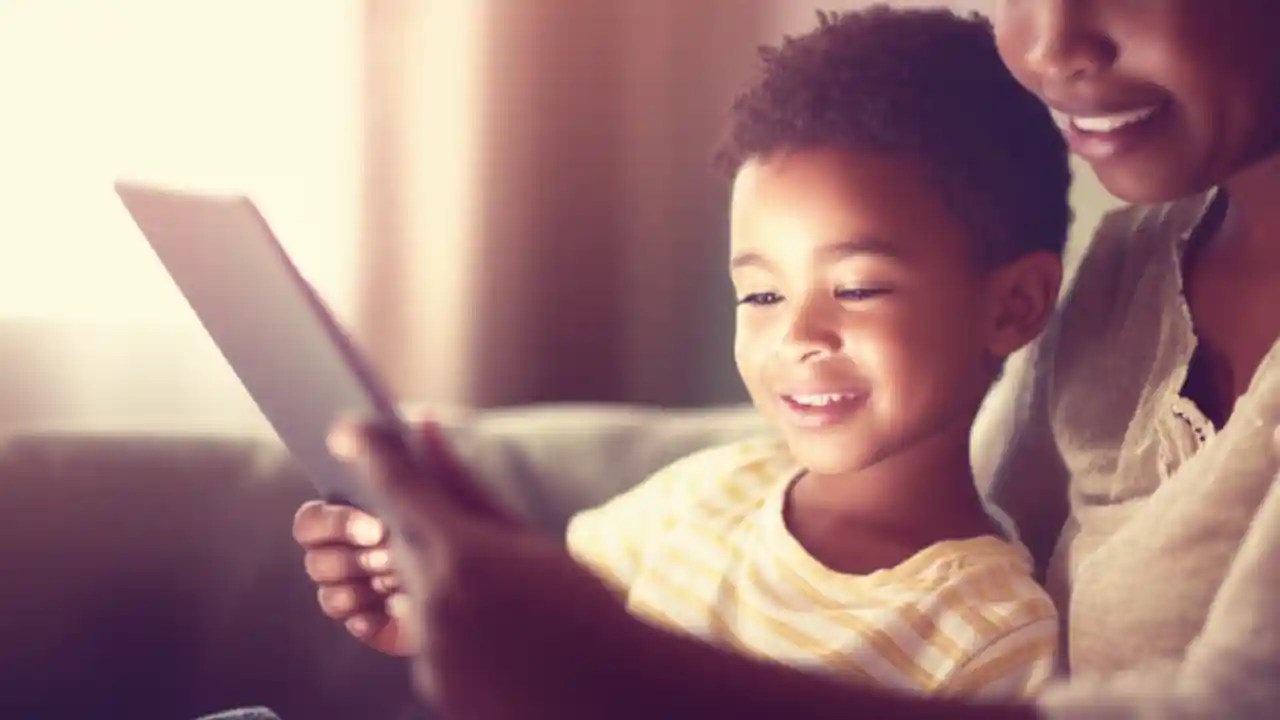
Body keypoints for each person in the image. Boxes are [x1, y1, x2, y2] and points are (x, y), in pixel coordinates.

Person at [300, 0, 1280, 717]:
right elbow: (560, 632)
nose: (1048, 46)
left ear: (1015, 302)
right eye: (760, 295)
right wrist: (454, 609)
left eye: (856, 288)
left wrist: (597, 675)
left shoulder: (986, 629)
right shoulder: (1130, 260)